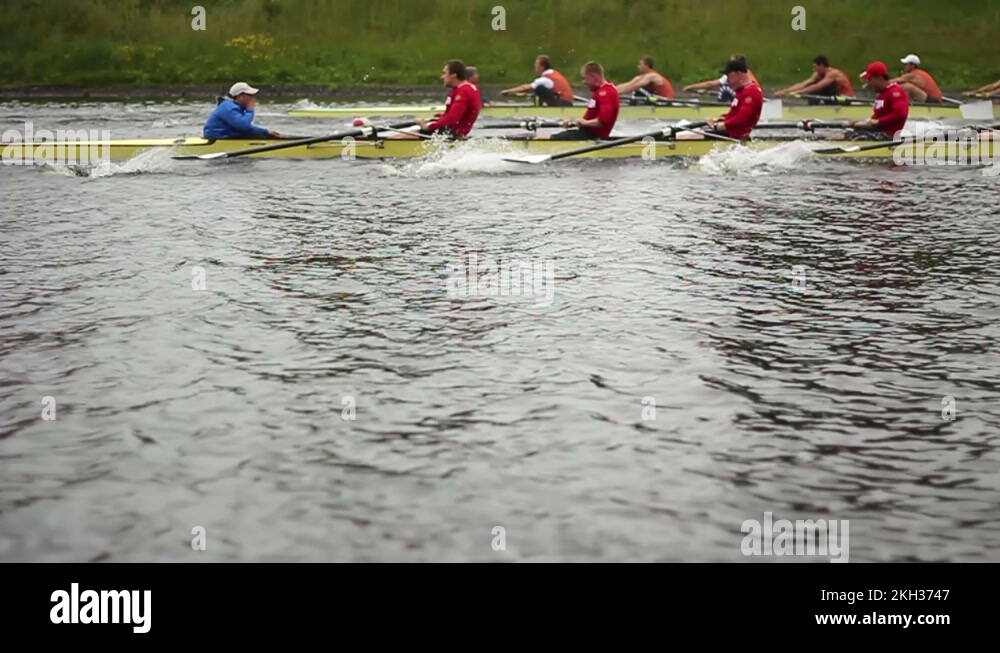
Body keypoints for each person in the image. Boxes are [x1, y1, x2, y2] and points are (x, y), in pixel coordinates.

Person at [538, 61, 619, 140]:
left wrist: (583, 122)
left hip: (590, 137)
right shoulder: (601, 90)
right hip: (586, 134)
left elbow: (603, 121)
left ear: (593, 76)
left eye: (585, 78)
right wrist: (575, 122)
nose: (584, 82)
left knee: (542, 138)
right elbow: (593, 121)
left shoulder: (604, 92)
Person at [405, 59, 481, 139]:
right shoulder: (468, 88)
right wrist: (440, 116)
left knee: (399, 136)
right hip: (454, 131)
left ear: (454, 75)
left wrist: (427, 127)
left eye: (445, 73)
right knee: (410, 133)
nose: (442, 77)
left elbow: (452, 118)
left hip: (450, 134)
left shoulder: (463, 91)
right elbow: (460, 113)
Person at [845, 61, 910, 139]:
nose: (868, 84)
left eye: (869, 79)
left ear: (879, 78)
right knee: (844, 132)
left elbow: (901, 114)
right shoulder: (881, 93)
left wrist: (878, 122)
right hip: (877, 131)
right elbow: (877, 117)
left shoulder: (895, 92)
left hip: (888, 135)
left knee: (841, 137)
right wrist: (862, 121)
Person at [704, 59, 763, 140]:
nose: (728, 80)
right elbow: (735, 114)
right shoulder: (742, 90)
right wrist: (719, 119)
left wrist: (718, 126)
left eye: (729, 76)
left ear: (738, 74)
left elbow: (741, 119)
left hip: (734, 136)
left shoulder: (752, 92)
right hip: (731, 132)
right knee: (690, 133)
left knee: (684, 136)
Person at [203, 82, 281, 139]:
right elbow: (244, 126)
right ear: (241, 96)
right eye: (250, 95)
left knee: (263, 135)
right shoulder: (228, 107)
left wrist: (266, 131)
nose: (253, 98)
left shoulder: (234, 106)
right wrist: (250, 109)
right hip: (219, 138)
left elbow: (247, 128)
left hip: (228, 136)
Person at [500, 55, 575, 106]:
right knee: (539, 89)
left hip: (563, 104)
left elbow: (525, 88)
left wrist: (508, 91)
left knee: (539, 88)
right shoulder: (554, 73)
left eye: (536, 64)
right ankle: (542, 106)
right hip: (567, 102)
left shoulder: (546, 79)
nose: (535, 66)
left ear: (542, 67)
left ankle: (541, 108)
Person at [683, 54, 761, 102]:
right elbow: (712, 85)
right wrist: (705, 90)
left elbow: (710, 84)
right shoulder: (746, 73)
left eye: (731, 62)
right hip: (749, 100)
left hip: (746, 101)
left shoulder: (736, 75)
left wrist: (690, 87)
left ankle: (723, 105)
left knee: (725, 89)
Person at [775, 55, 855, 102]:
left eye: (815, 67)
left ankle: (815, 110)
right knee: (813, 92)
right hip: (833, 98)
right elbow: (804, 84)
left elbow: (817, 86)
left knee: (815, 91)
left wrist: (797, 93)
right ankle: (814, 110)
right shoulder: (818, 73)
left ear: (821, 65)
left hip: (845, 98)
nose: (814, 69)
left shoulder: (833, 74)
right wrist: (785, 91)